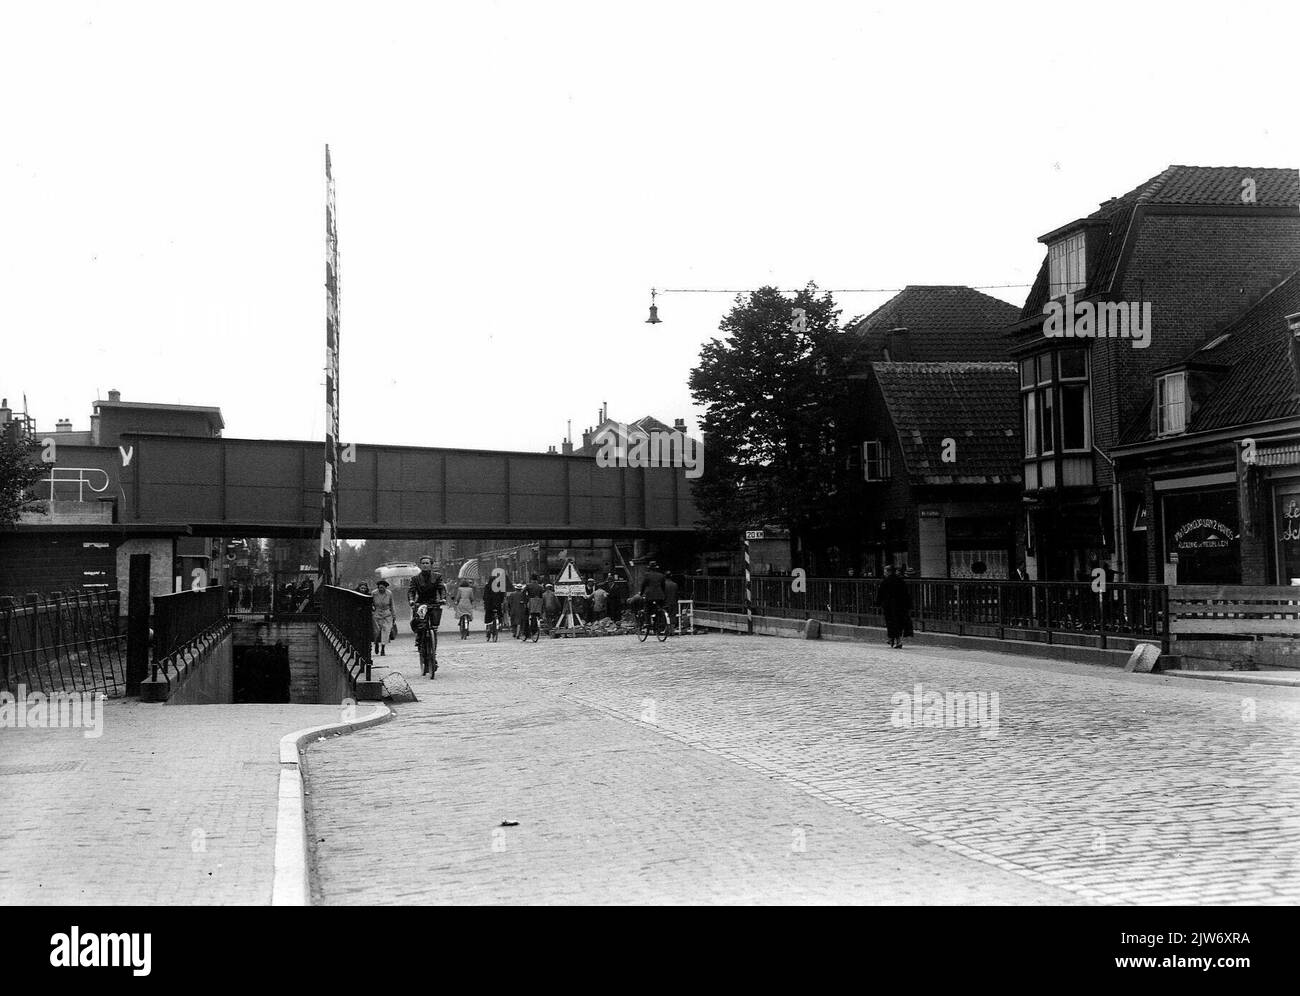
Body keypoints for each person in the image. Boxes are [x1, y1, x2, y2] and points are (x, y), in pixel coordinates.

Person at [409, 556, 447, 675]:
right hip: (421, 604)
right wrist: (411, 600)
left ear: (431, 564)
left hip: (434, 603)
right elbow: (411, 591)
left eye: (427, 563)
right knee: (420, 625)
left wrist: (443, 599)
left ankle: (433, 653)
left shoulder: (437, 576)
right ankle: (420, 641)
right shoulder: (415, 579)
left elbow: (441, 588)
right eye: (423, 563)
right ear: (420, 565)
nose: (425, 565)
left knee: (434, 629)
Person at [876, 563, 912, 649]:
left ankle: (896, 640)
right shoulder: (900, 581)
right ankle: (892, 638)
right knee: (898, 623)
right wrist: (908, 605)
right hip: (901, 606)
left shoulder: (885, 581)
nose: (884, 573)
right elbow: (906, 594)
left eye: (885, 571)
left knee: (891, 623)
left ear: (888, 572)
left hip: (889, 606)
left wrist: (878, 603)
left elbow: (880, 594)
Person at [372, 579, 396, 656]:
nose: (381, 589)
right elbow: (370, 603)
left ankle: (383, 647)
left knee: (386, 631)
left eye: (382, 588)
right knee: (377, 631)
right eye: (379, 587)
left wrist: (394, 615)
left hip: (387, 614)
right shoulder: (374, 593)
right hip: (377, 613)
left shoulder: (389, 593)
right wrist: (372, 610)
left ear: (385, 588)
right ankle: (376, 643)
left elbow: (392, 604)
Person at [640, 561, 668, 628]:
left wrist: (641, 593)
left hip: (650, 595)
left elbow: (643, 585)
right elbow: (663, 586)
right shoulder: (661, 575)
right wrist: (664, 594)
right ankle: (659, 620)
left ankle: (647, 622)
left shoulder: (647, 575)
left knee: (647, 609)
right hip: (660, 595)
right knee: (659, 608)